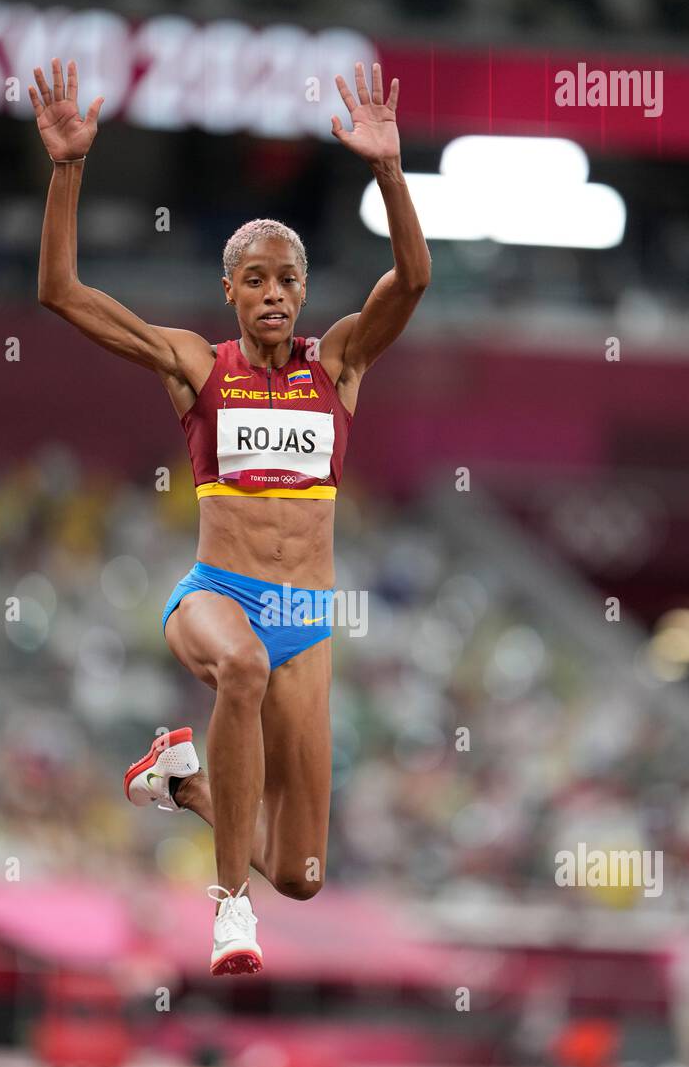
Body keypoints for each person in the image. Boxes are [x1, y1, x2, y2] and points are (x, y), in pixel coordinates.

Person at [31, 57, 430, 975]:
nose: (277, 294)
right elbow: (62, 293)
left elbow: (410, 281)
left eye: (288, 278)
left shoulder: (340, 368)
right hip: (217, 597)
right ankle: (225, 910)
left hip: (308, 621)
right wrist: (68, 169)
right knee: (241, 667)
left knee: (303, 872)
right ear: (231, 293)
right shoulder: (197, 369)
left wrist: (388, 170)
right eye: (256, 280)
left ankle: (182, 782)